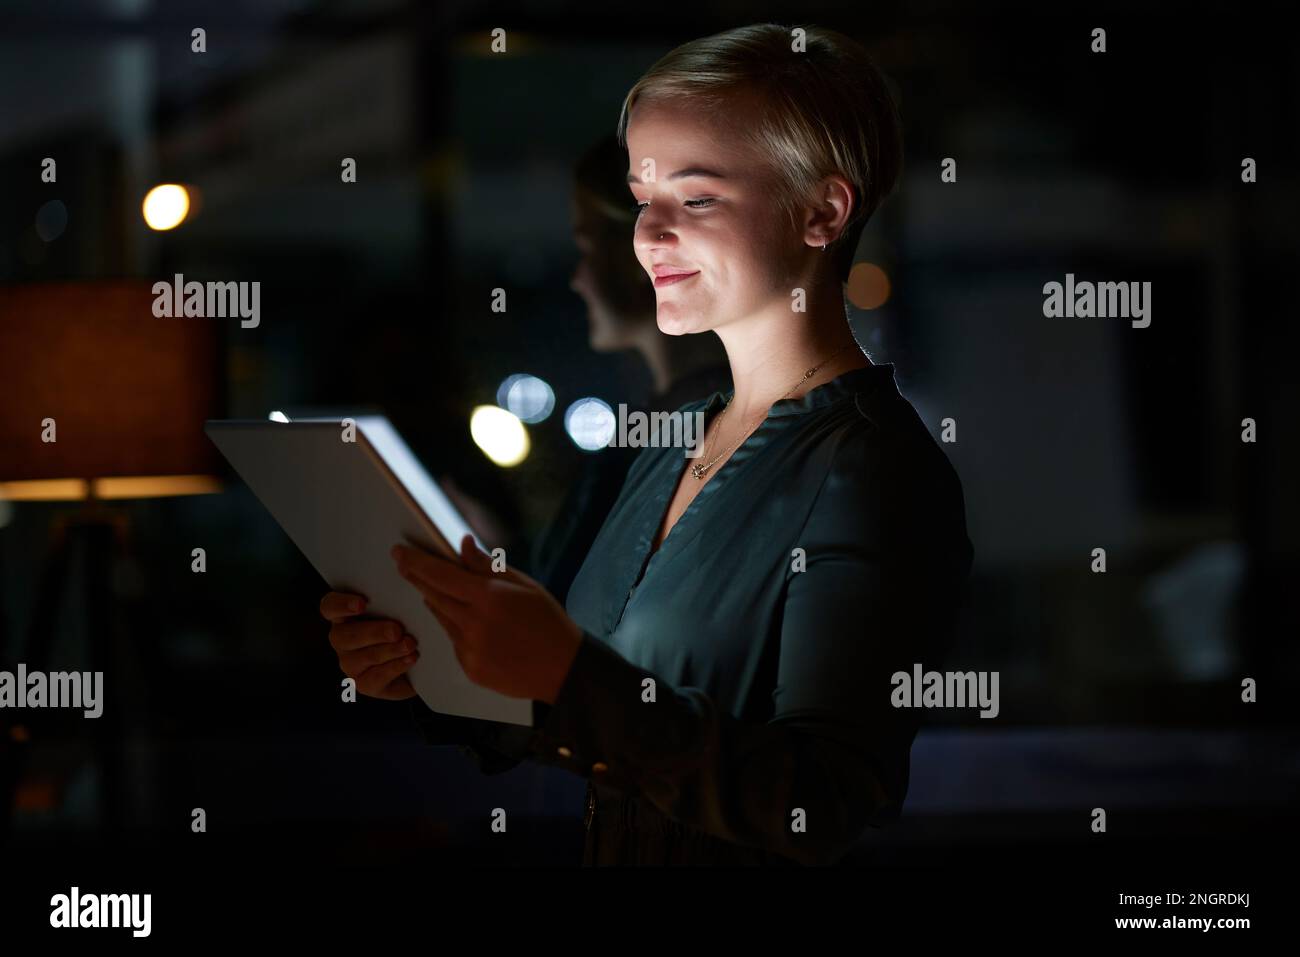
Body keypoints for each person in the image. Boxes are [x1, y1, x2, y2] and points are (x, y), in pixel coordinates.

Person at [320, 23, 973, 866]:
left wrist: (562, 672)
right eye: (642, 196)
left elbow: (819, 797)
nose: (649, 235)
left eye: (696, 199)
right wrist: (435, 665)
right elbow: (580, 709)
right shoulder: (671, 443)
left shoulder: (877, 469)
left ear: (822, 211)